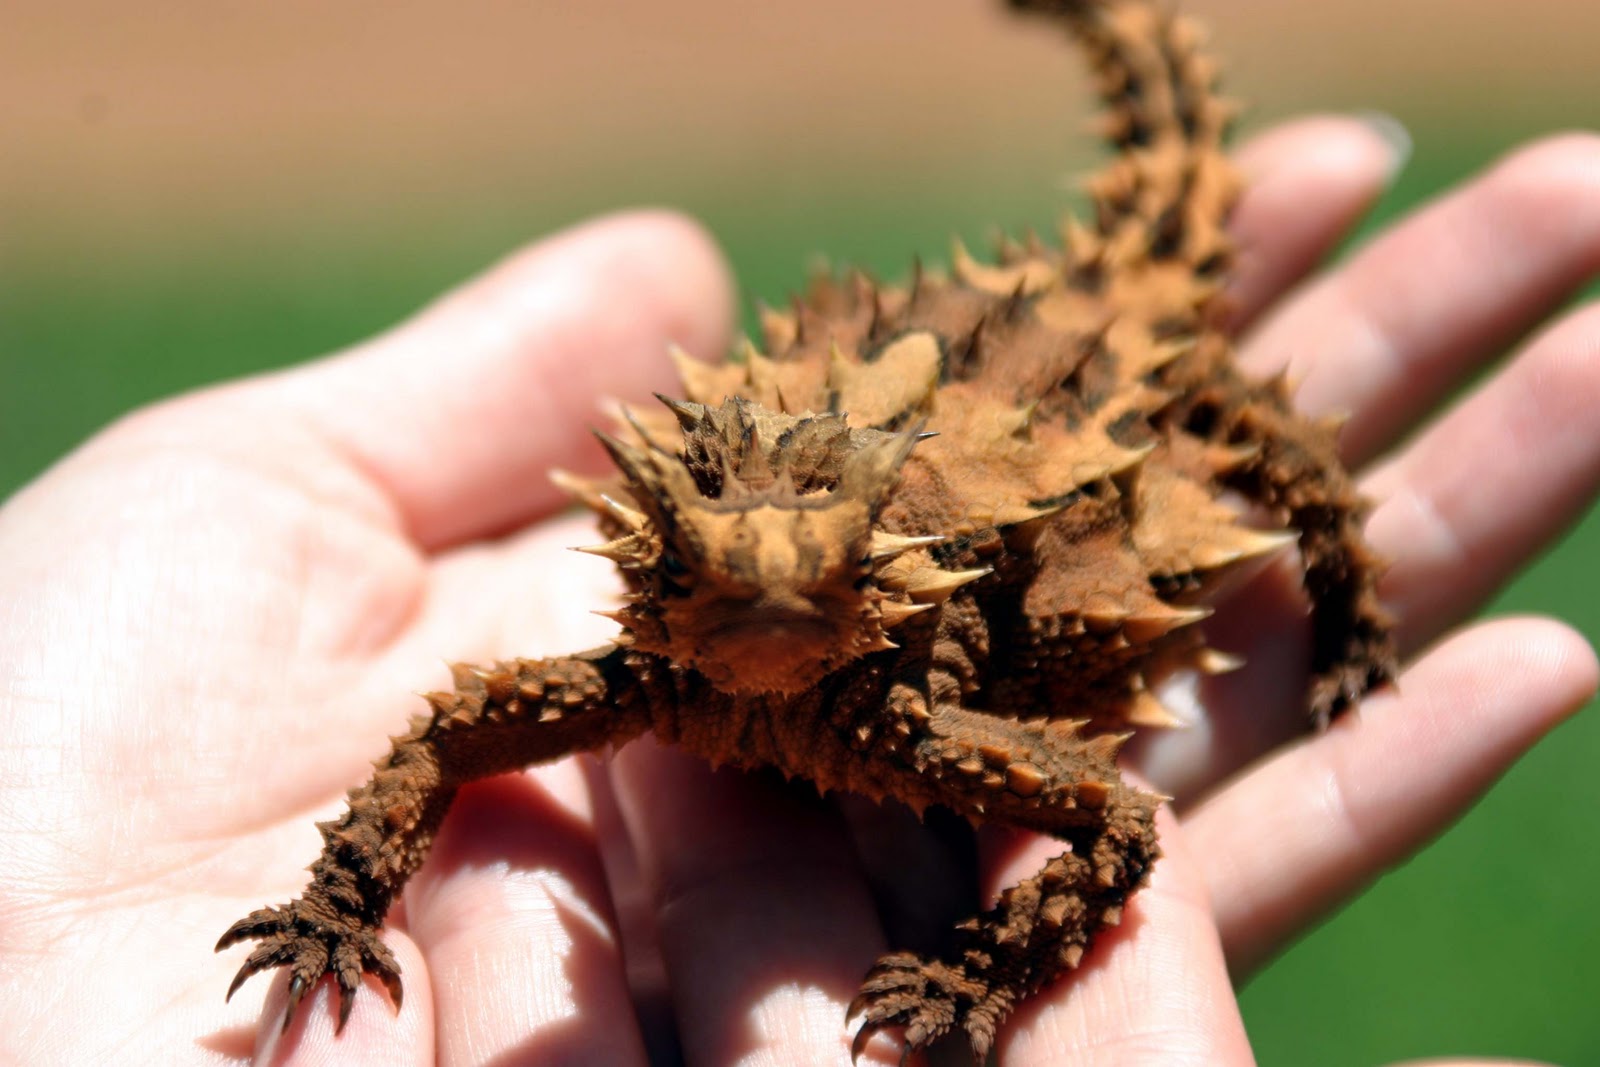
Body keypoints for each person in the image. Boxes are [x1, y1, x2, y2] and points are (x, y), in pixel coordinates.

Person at [1, 116, 1596, 1066]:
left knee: (1233, 415)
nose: (765, 612)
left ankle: (1356, 593)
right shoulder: (642, 685)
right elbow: (444, 740)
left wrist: (983, 964)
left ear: (868, 588)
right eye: (719, 584)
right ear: (656, 570)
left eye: (809, 587)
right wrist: (338, 901)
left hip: (1051, 431)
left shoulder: (910, 720)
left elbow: (1111, 825)